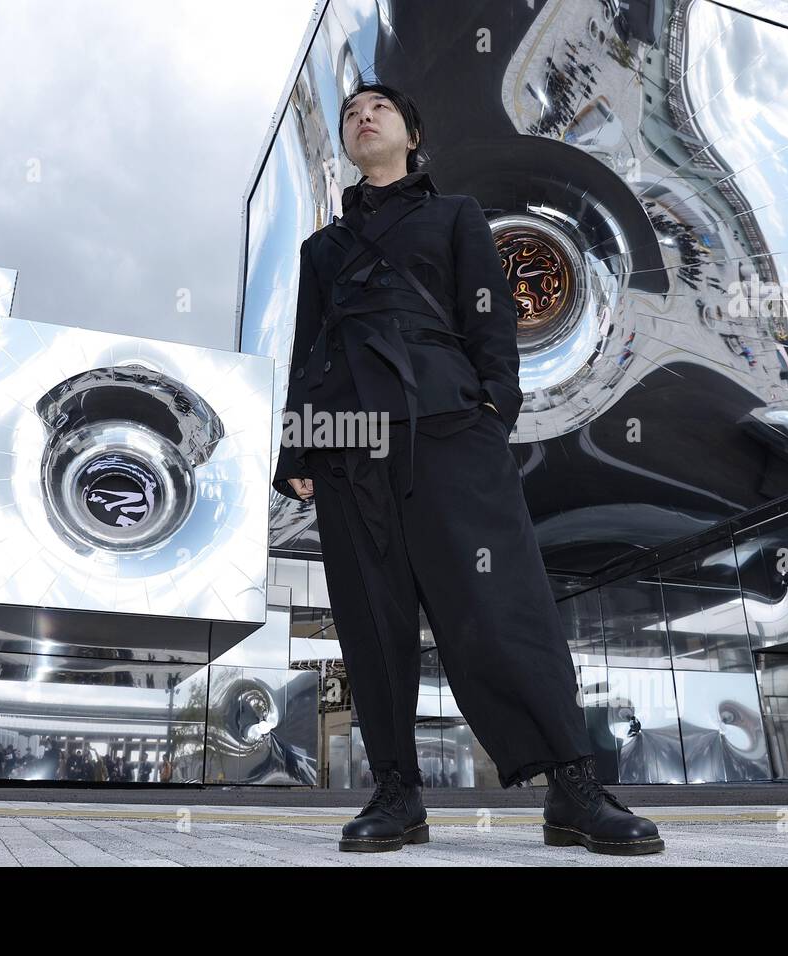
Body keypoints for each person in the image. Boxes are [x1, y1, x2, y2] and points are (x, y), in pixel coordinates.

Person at [271, 81, 663, 855]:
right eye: (351, 113)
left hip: (449, 426)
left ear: (411, 135)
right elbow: (309, 350)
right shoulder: (323, 250)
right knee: (372, 622)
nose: (362, 117)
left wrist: (494, 410)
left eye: (378, 108)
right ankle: (396, 792)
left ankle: (571, 784)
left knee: (498, 602)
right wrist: (298, 447)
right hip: (348, 440)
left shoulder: (456, 218)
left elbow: (490, 318)